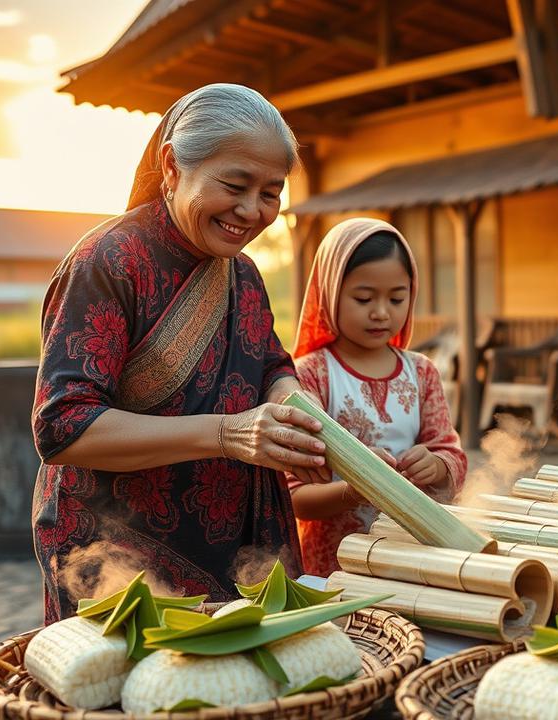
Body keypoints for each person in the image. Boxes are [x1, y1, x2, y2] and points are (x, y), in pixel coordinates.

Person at [31, 84, 330, 623]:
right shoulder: (107, 262)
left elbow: (269, 363)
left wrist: (292, 401)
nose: (252, 211)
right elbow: (63, 427)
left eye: (271, 192)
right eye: (235, 185)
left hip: (235, 552)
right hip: (120, 553)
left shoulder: (242, 272)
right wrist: (227, 433)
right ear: (172, 166)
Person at [289, 219, 467, 576]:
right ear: (329, 292)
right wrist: (357, 489)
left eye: (397, 298)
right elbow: (295, 497)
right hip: (335, 565)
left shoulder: (421, 372)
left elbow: (452, 456)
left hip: (412, 554)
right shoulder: (308, 376)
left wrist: (435, 466)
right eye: (364, 298)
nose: (382, 312)